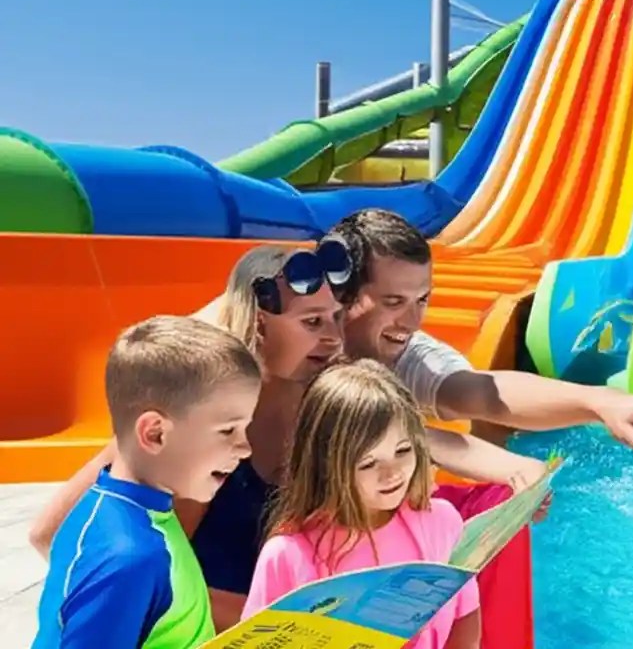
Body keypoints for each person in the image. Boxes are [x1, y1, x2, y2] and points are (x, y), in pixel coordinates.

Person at [29, 242, 542, 631]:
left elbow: (419, 438)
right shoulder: (201, 420)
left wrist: (517, 474)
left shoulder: (319, 398)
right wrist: (270, 617)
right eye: (312, 321)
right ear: (257, 327)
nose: (334, 337)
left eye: (338, 319)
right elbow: (67, 538)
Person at [324, 208, 633, 458]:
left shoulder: (405, 355)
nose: (412, 323)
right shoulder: (284, 339)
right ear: (341, 292)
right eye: (393, 303)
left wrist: (603, 403)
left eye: (421, 300)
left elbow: (485, 393)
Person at [33, 315, 260, 648]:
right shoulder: (129, 556)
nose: (245, 448)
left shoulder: (133, 514)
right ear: (154, 433)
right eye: (228, 430)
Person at [242, 359, 481, 649]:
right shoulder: (289, 555)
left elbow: (465, 618)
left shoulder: (441, 521)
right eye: (368, 463)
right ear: (327, 465)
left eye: (403, 450)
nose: (392, 473)